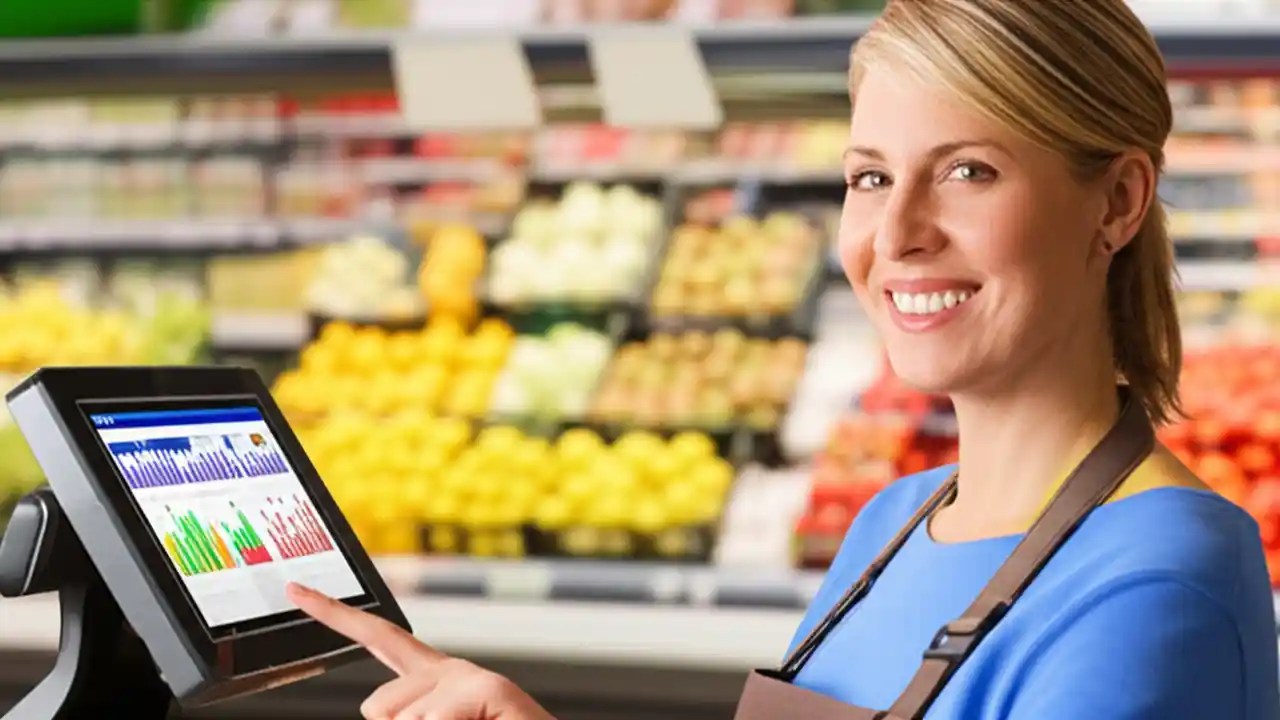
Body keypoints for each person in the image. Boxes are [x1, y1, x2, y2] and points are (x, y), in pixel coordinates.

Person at [287, 1, 1280, 718]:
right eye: (868, 177)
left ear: (1115, 202)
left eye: (967, 171)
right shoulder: (892, 526)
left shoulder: (1156, 581)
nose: (894, 233)